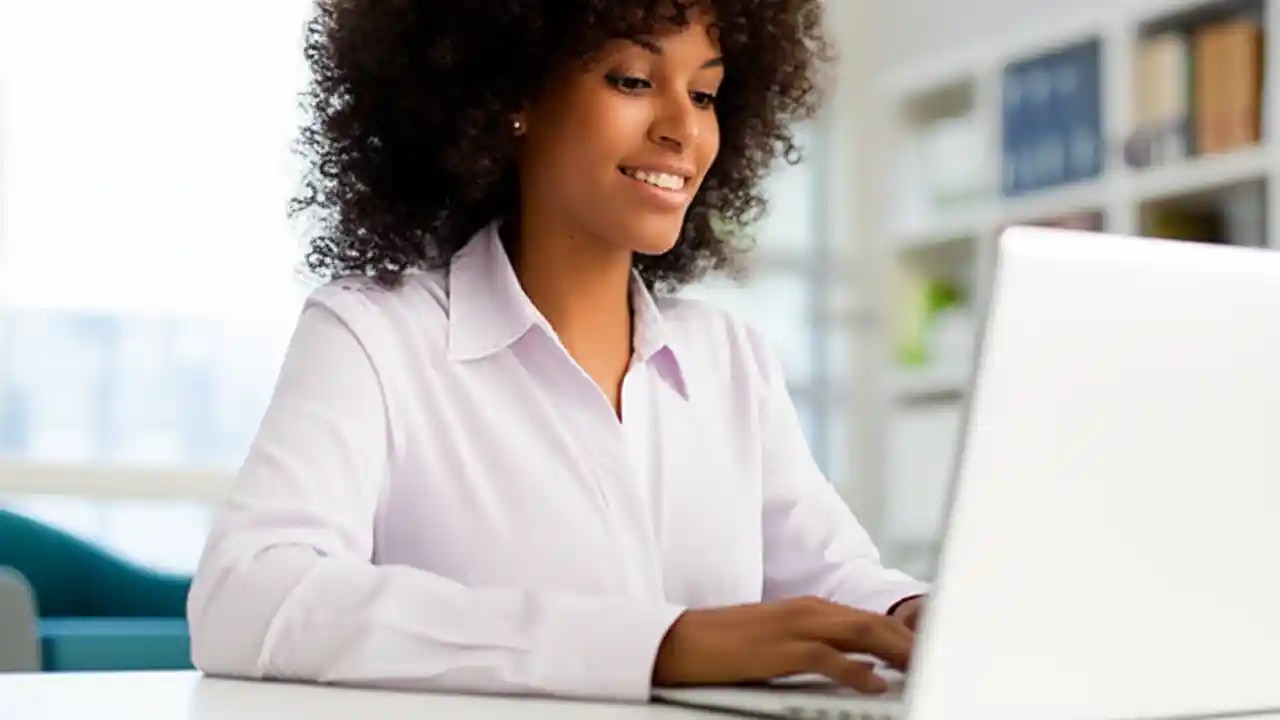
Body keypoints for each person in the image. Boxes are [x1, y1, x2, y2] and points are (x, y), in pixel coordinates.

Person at [187, 0, 928, 703]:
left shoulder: (728, 357)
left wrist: (915, 615)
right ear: (514, 95)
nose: (683, 129)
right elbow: (248, 597)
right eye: (634, 81)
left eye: (704, 95)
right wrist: (659, 647)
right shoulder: (376, 336)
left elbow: (837, 574)